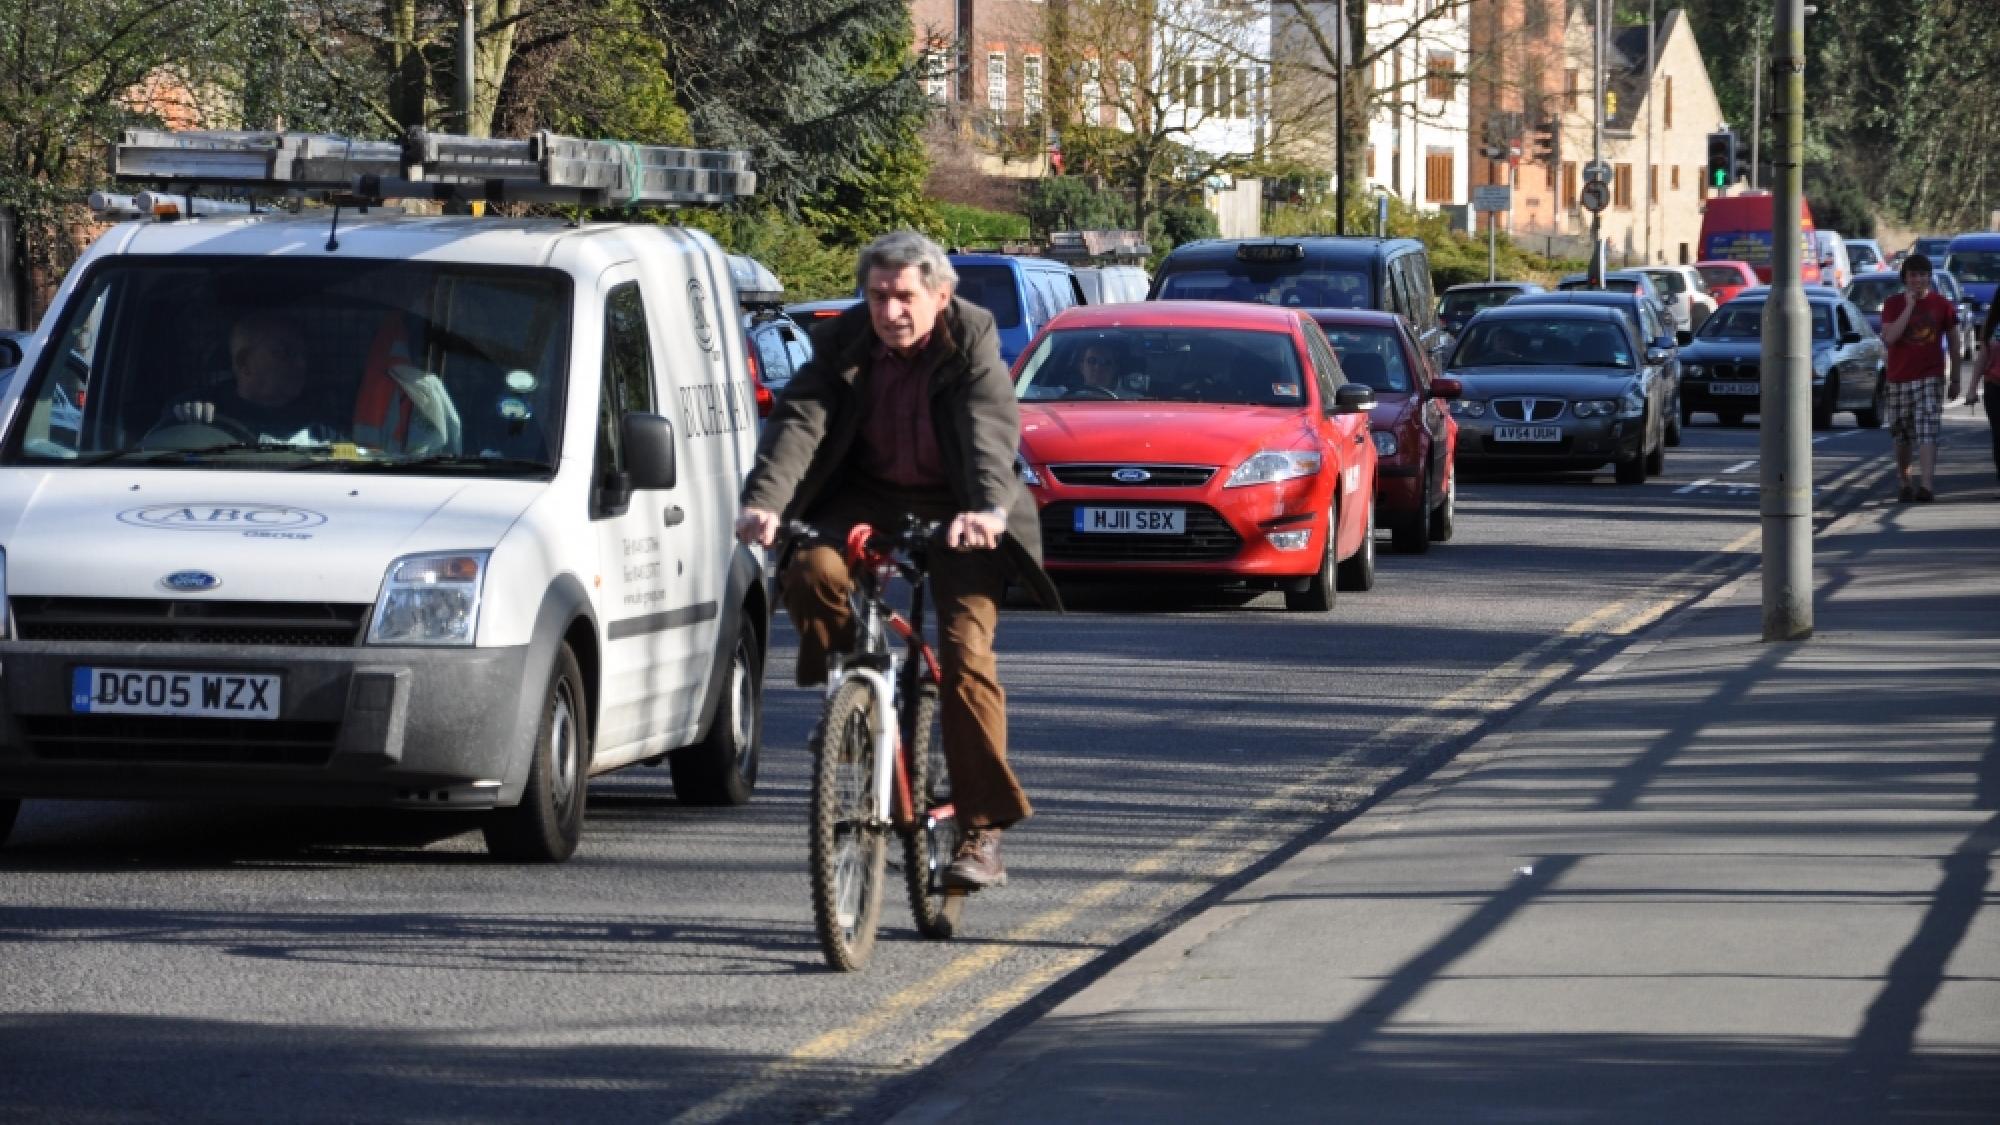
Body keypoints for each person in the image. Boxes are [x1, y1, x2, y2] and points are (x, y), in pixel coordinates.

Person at [736, 231, 1060, 891]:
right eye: (878, 295)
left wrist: (988, 509)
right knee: (810, 572)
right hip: (867, 496)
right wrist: (765, 503)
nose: (889, 311)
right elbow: (800, 421)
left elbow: (988, 426)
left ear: (940, 295)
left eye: (904, 296)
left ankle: (981, 827)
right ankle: (853, 697)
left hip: (961, 503)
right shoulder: (844, 340)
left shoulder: (971, 338)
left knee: (966, 658)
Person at [166, 311, 337, 442]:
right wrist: (188, 422)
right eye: (284, 353)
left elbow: (346, 459)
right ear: (244, 363)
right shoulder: (199, 409)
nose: (301, 364)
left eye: (303, 355)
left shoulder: (321, 423)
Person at [1879, 254, 1960, 502]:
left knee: (1927, 430)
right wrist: (1909, 307)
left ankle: (1926, 486)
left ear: (1929, 278)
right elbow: (1890, 337)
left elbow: (1955, 343)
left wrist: (1956, 378)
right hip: (1898, 377)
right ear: (1905, 278)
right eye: (1913, 275)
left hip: (1930, 376)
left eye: (1923, 275)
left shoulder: (1942, 305)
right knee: (1902, 435)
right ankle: (1905, 481)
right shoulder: (1892, 304)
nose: (1918, 280)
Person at [1969, 297, 2000, 492]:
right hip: (1994, 387)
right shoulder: (1992, 323)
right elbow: (1982, 356)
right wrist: (1972, 388)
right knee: (1999, 436)